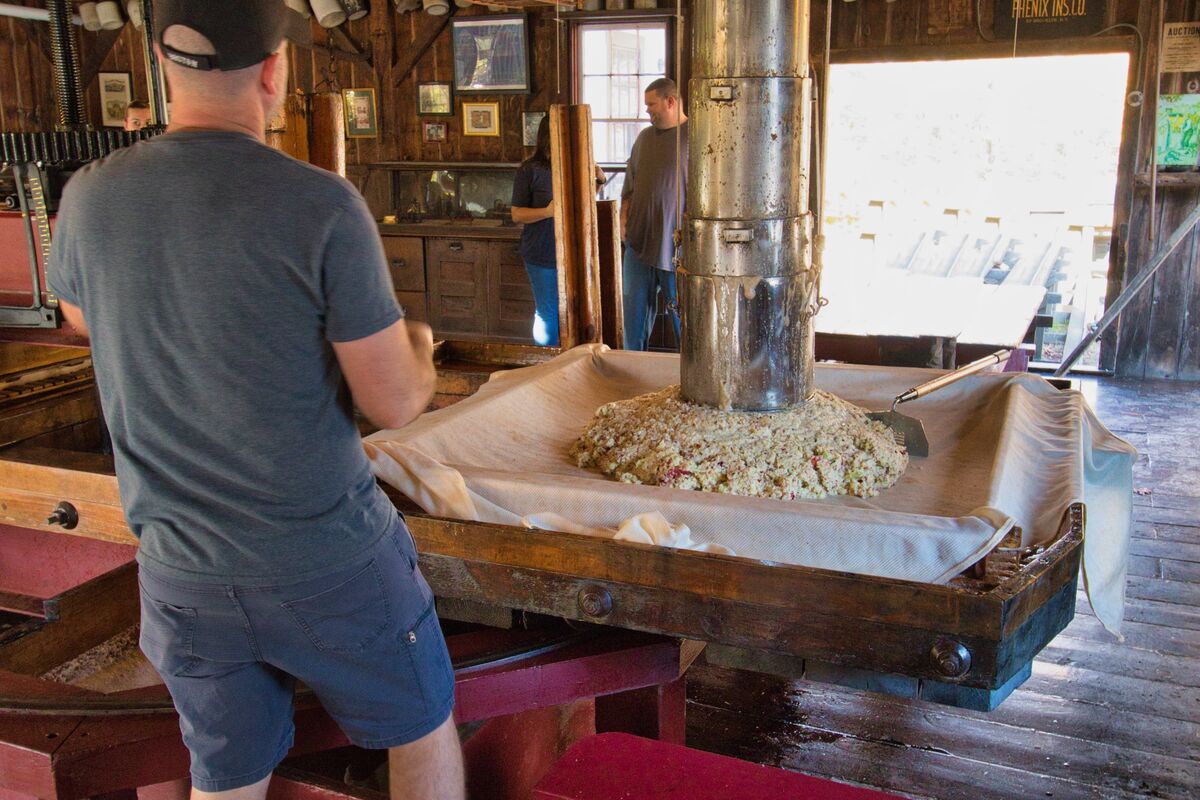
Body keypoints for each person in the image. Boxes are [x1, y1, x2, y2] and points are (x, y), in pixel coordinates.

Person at [46, 2, 464, 799]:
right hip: (324, 559)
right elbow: (395, 404)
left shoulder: (91, 197)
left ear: (158, 64)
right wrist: (416, 345)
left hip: (180, 569)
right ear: (275, 71)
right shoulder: (320, 206)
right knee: (420, 725)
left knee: (228, 776)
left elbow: (80, 315)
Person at [510, 115, 606, 346]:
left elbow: (581, 203)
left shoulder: (575, 166)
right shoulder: (529, 170)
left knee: (572, 311)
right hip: (541, 251)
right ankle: (546, 366)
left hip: (573, 252)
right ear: (549, 135)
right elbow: (516, 215)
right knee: (548, 313)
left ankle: (565, 366)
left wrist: (599, 182)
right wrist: (547, 211)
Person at [620, 77, 688, 351]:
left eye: (651, 104)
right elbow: (630, 186)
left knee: (684, 324)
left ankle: (694, 384)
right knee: (633, 323)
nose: (647, 111)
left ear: (670, 101)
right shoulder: (644, 138)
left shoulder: (696, 137)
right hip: (638, 244)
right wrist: (623, 221)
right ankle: (632, 380)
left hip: (678, 250)